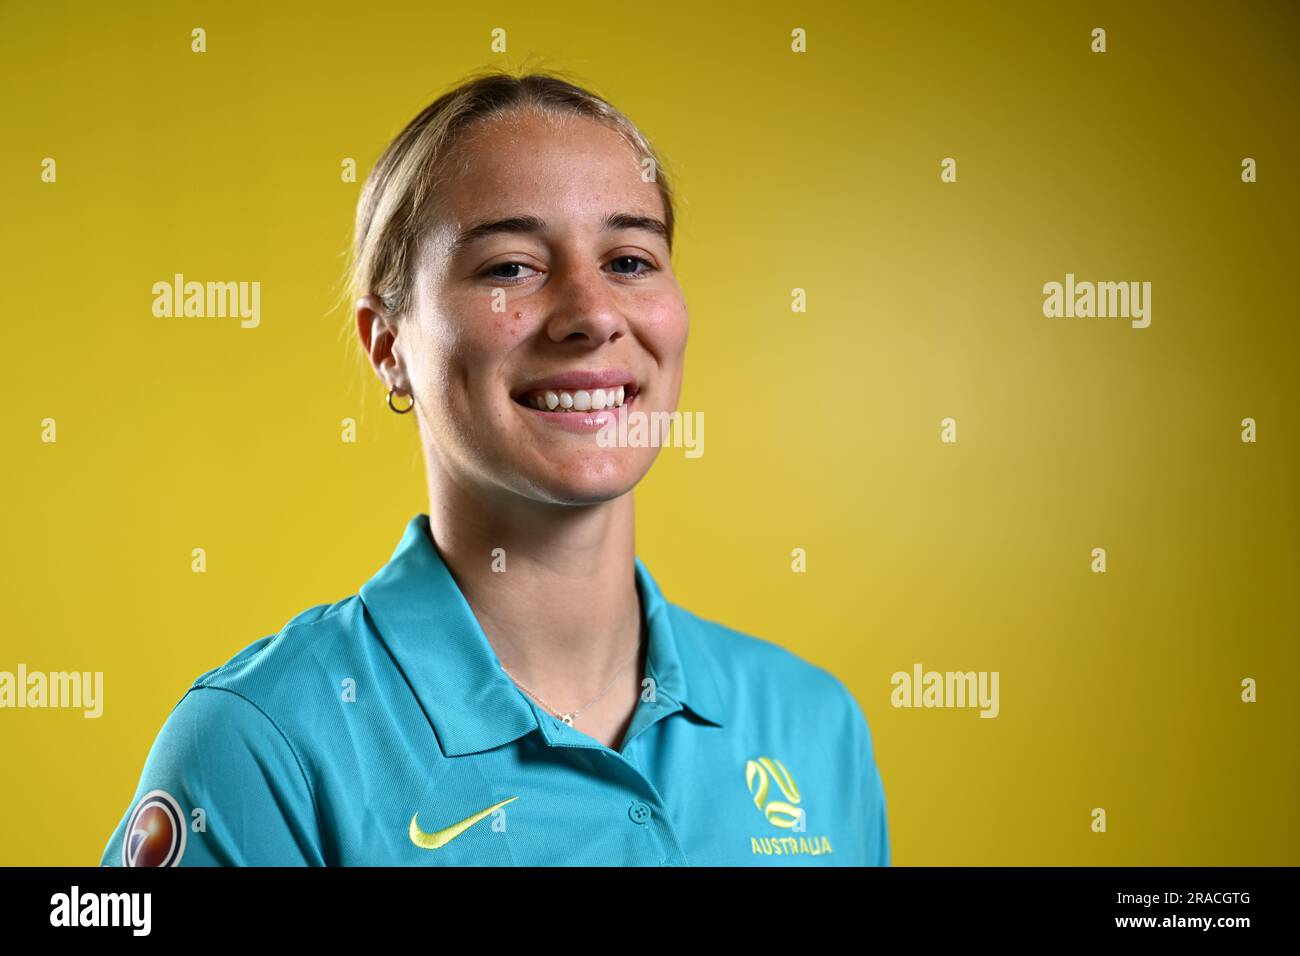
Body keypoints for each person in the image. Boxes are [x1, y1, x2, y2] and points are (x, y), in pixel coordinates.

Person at [99, 69, 890, 866]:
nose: (591, 314)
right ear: (388, 346)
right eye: (511, 267)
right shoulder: (259, 746)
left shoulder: (813, 724)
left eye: (629, 259)